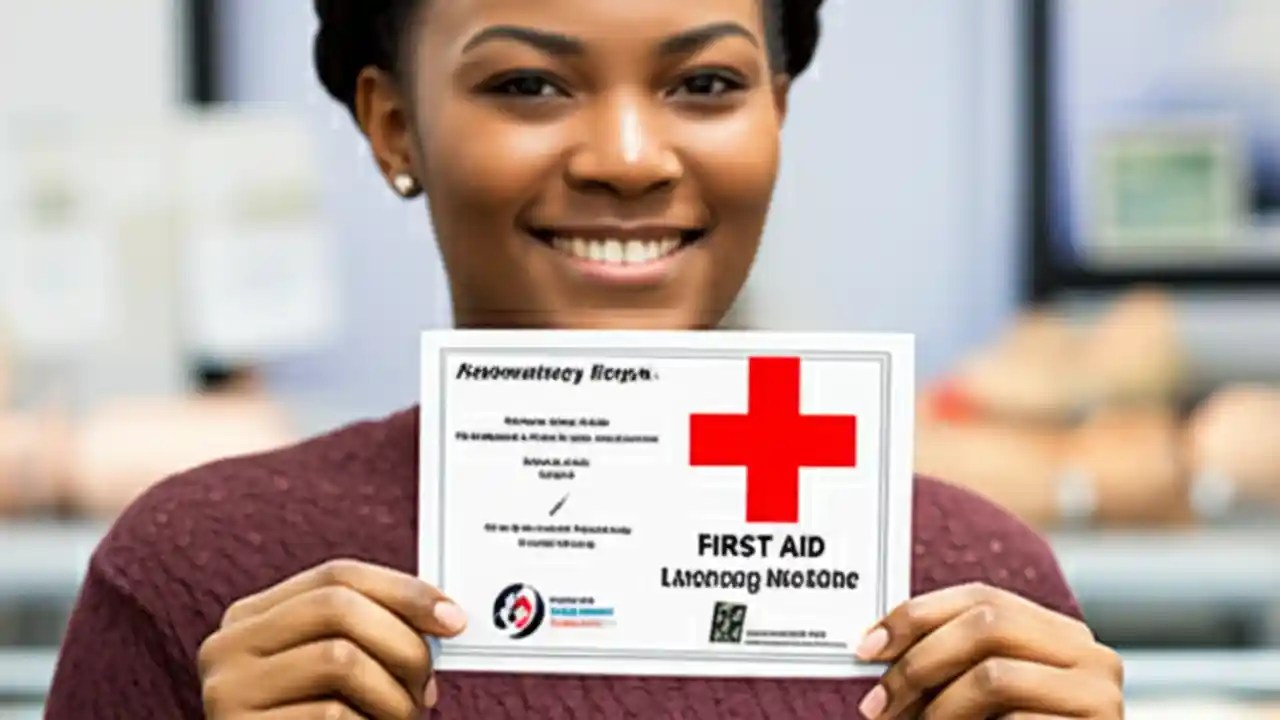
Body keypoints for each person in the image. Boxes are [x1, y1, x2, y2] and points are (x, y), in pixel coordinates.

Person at [45, 0, 1125, 717]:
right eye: (528, 86)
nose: (627, 159)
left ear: (777, 113)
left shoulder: (972, 596)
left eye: (705, 84)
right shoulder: (199, 578)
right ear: (393, 125)